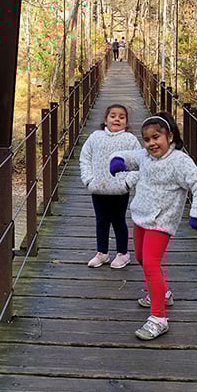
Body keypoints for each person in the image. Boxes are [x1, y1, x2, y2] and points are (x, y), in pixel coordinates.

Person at [109, 111, 197, 340]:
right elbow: (132, 155)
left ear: (170, 137)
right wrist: (119, 160)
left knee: (151, 265)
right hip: (141, 216)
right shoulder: (146, 157)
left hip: (162, 221)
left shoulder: (179, 162)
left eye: (157, 137)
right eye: (147, 139)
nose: (151, 143)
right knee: (141, 259)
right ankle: (162, 294)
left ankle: (158, 318)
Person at [79, 104, 141, 269]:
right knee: (101, 221)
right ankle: (102, 253)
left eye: (121, 117)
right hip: (98, 187)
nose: (117, 119)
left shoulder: (130, 140)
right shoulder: (95, 137)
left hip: (119, 189)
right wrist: (88, 180)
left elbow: (138, 162)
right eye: (113, 116)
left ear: (126, 122)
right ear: (105, 119)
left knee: (118, 220)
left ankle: (123, 253)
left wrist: (127, 183)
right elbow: (85, 157)